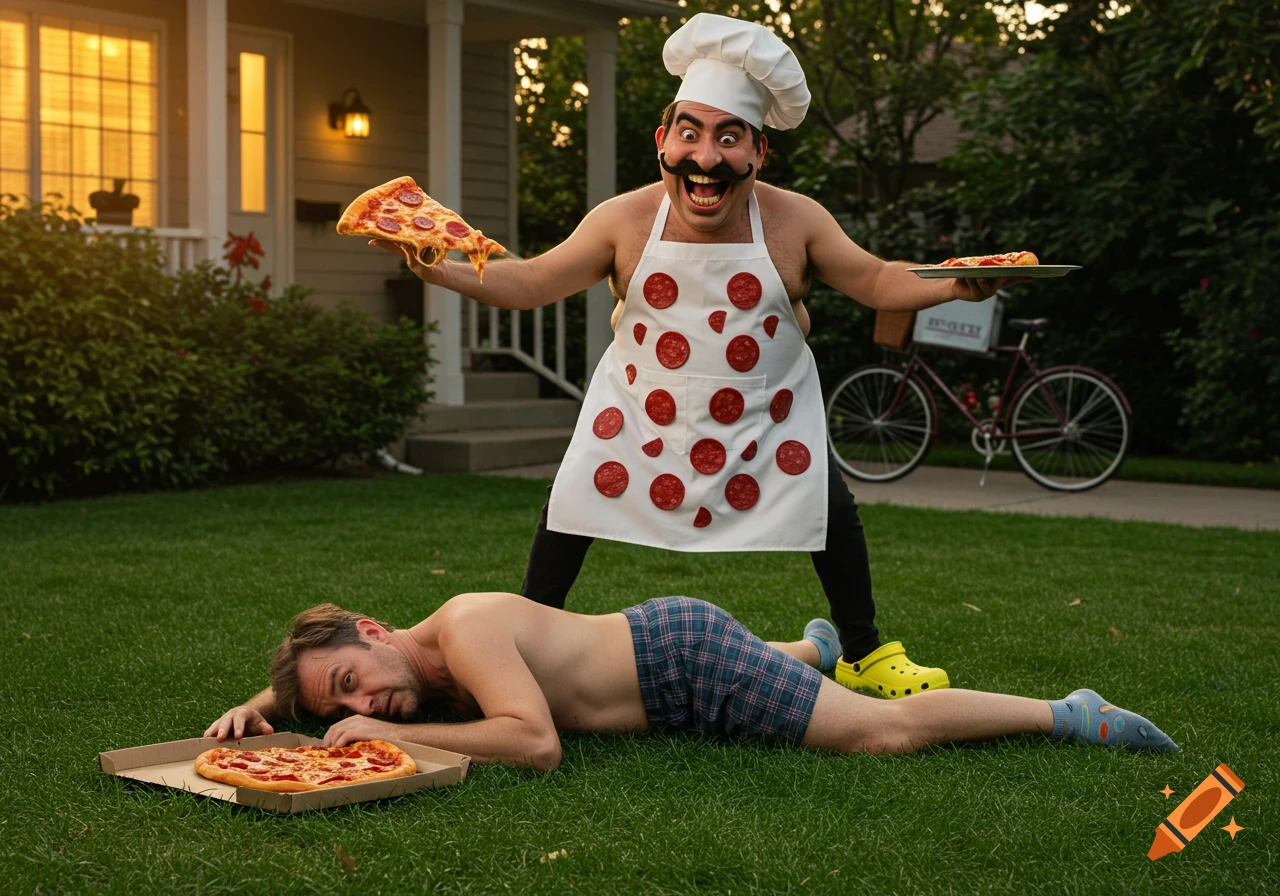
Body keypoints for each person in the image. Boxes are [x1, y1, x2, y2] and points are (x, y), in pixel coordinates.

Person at [371, 14, 1030, 696]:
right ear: (663, 142)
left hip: (766, 414)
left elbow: (875, 280)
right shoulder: (621, 220)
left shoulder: (796, 219)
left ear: (757, 153)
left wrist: (955, 283)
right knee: (568, 504)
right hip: (638, 411)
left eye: (728, 138)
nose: (706, 158)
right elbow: (534, 279)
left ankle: (862, 650)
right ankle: (530, 639)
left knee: (829, 508)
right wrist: (440, 264)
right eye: (689, 134)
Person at [204, 593, 1179, 771]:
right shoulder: (406, 670)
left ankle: (1069, 712)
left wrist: (390, 741)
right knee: (802, 678)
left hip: (682, 660)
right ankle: (802, 649)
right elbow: (328, 698)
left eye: (352, 680)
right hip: (665, 659)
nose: (365, 708)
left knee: (880, 733)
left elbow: (533, 743)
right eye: (347, 709)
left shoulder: (465, 630)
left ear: (371, 630)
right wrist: (267, 706)